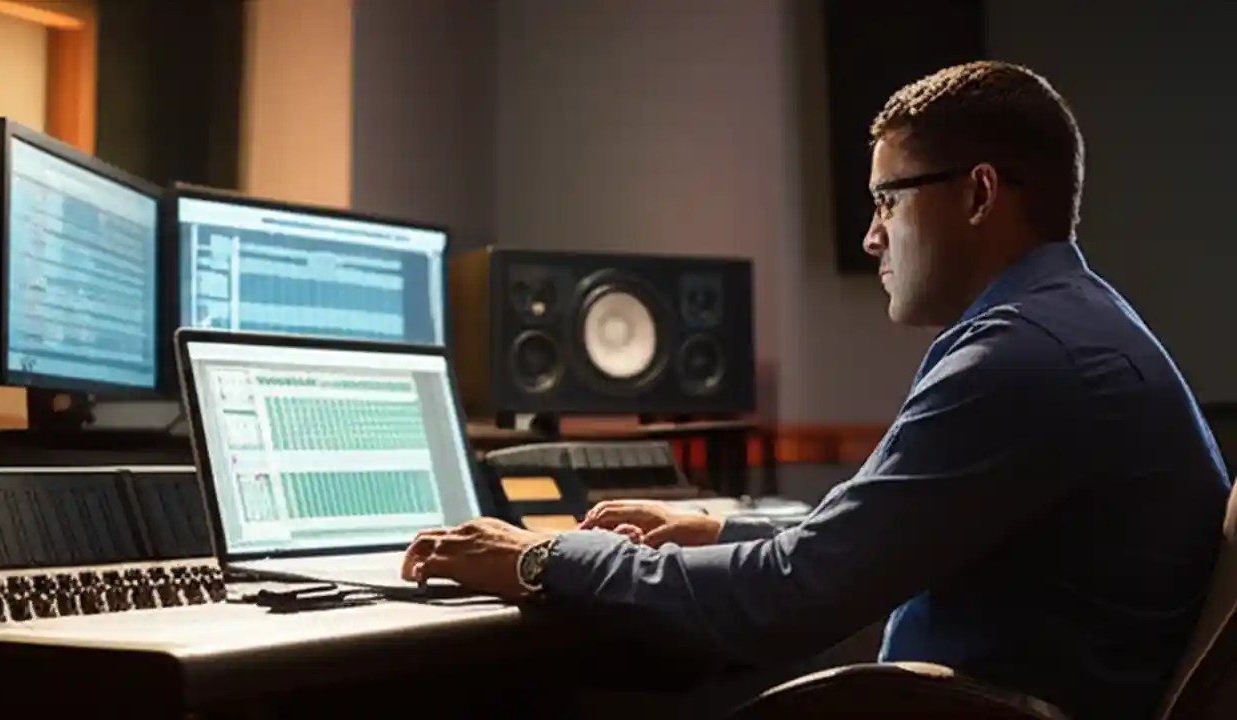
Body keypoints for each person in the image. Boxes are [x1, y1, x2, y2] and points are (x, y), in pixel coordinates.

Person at [402, 61, 1233, 719]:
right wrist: (717, 526)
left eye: (886, 200)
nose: (873, 234)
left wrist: (543, 557)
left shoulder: (1023, 356)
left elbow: (786, 597)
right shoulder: (1070, 323)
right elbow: (878, 528)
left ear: (978, 194)